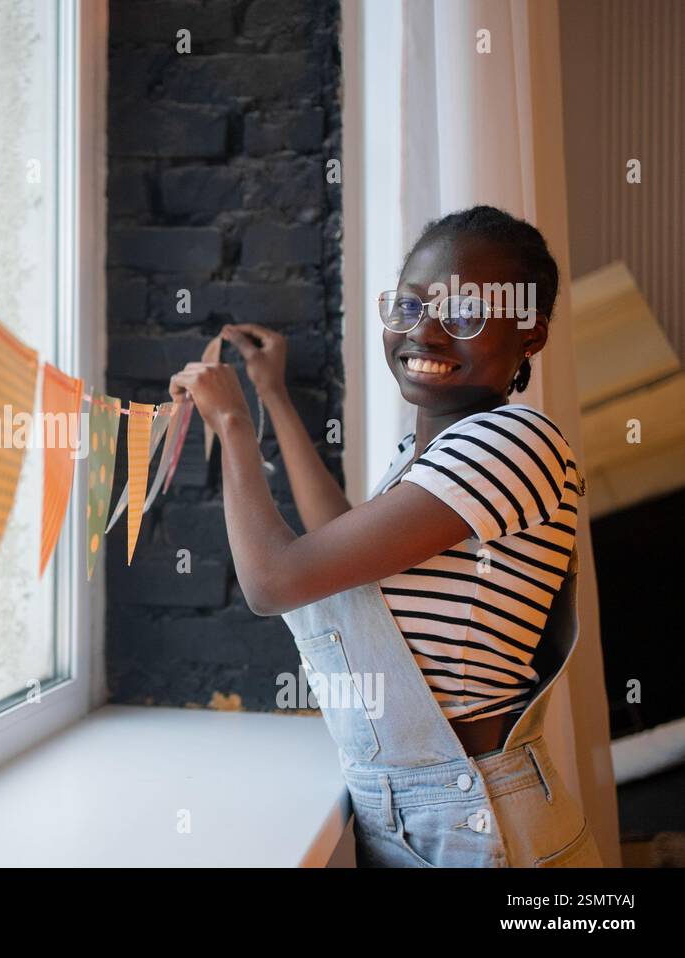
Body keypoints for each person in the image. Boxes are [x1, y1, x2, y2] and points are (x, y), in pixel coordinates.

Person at [168, 204, 602, 867]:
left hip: (482, 821)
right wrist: (274, 397)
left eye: (462, 316)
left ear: (530, 336)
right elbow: (339, 549)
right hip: (422, 811)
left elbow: (276, 579)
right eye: (407, 307)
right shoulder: (423, 455)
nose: (423, 334)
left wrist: (230, 422)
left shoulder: (516, 441)